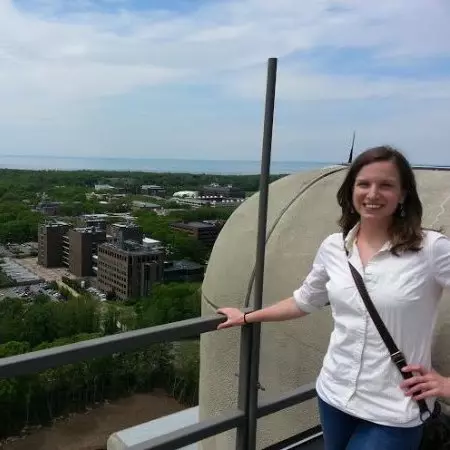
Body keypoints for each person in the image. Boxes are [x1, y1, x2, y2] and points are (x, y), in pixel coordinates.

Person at [217, 145, 450, 450]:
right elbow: (304, 300)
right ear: (351, 189)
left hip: (394, 408)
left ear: (404, 194)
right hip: (335, 394)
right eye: (364, 184)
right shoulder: (334, 247)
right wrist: (247, 317)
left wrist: (447, 385)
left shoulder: (430, 249)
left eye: (386, 185)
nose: (373, 193)